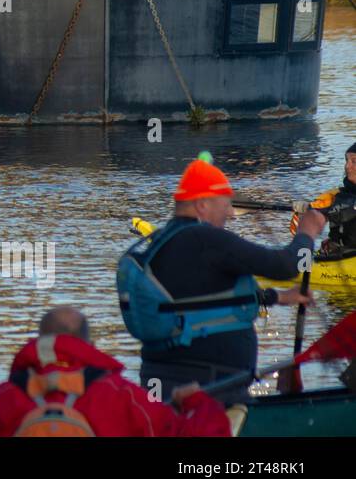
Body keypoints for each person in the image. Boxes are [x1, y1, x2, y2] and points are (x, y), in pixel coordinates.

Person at [120, 157, 325, 404]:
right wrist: (307, 233)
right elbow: (287, 266)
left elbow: (200, 300)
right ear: (203, 204)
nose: (231, 214)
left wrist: (279, 297)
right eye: (226, 204)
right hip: (210, 386)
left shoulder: (160, 242)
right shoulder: (207, 239)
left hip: (160, 380)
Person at [0, 307, 229, 436]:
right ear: (90, 346)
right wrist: (195, 402)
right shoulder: (122, 395)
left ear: (40, 341)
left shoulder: (0, 398)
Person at [297, 141, 356, 257]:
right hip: (339, 254)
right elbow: (319, 206)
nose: (347, 166)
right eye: (347, 161)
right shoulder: (336, 195)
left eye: (354, 161)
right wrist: (307, 207)